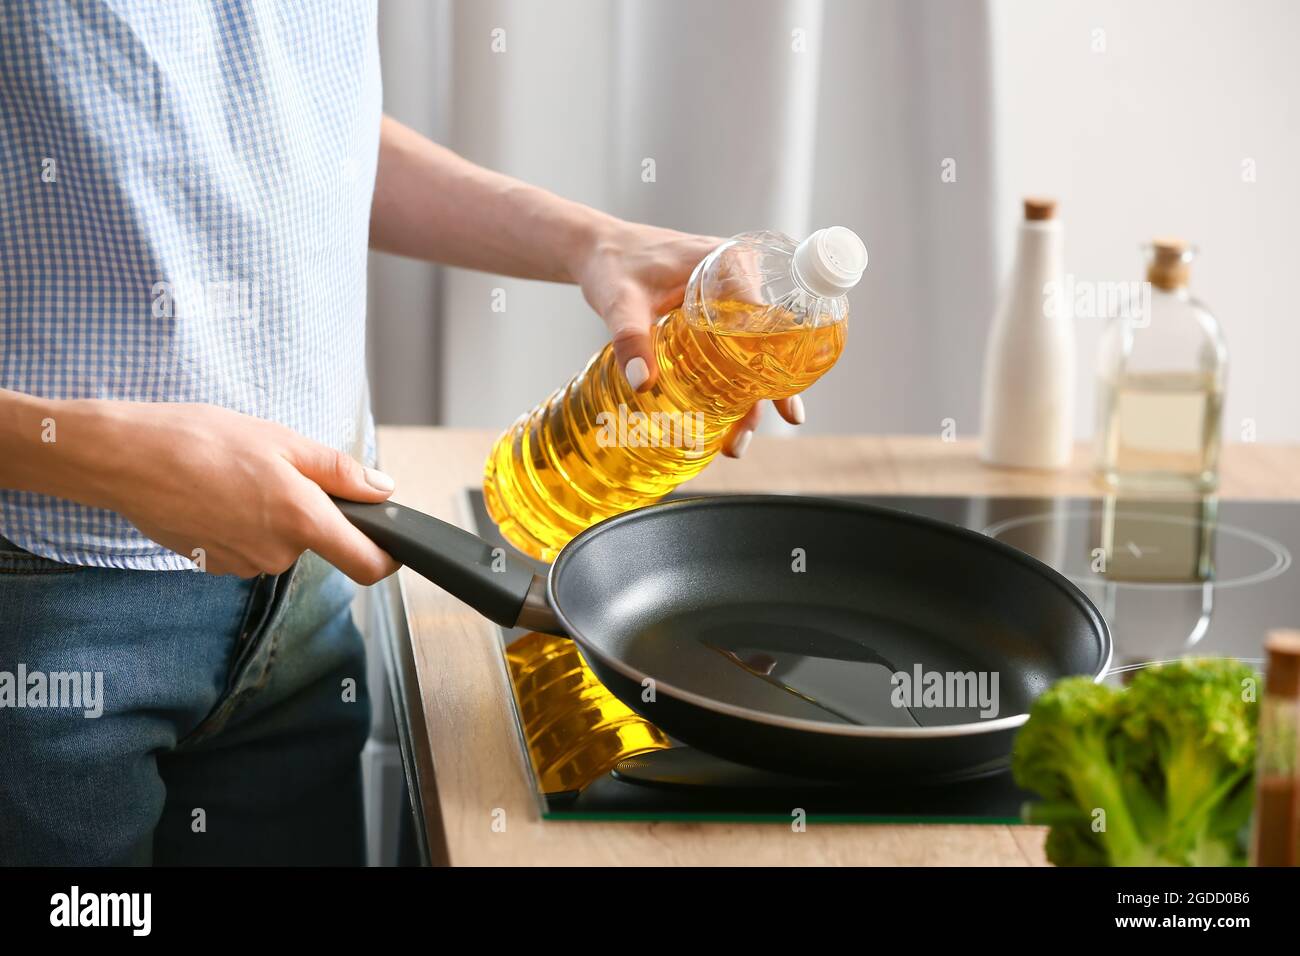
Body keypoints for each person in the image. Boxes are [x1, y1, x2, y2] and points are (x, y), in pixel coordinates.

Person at [0, 1, 804, 865]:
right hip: (54, 609)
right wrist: (108, 456)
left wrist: (588, 240)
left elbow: (296, 126)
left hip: (310, 584)